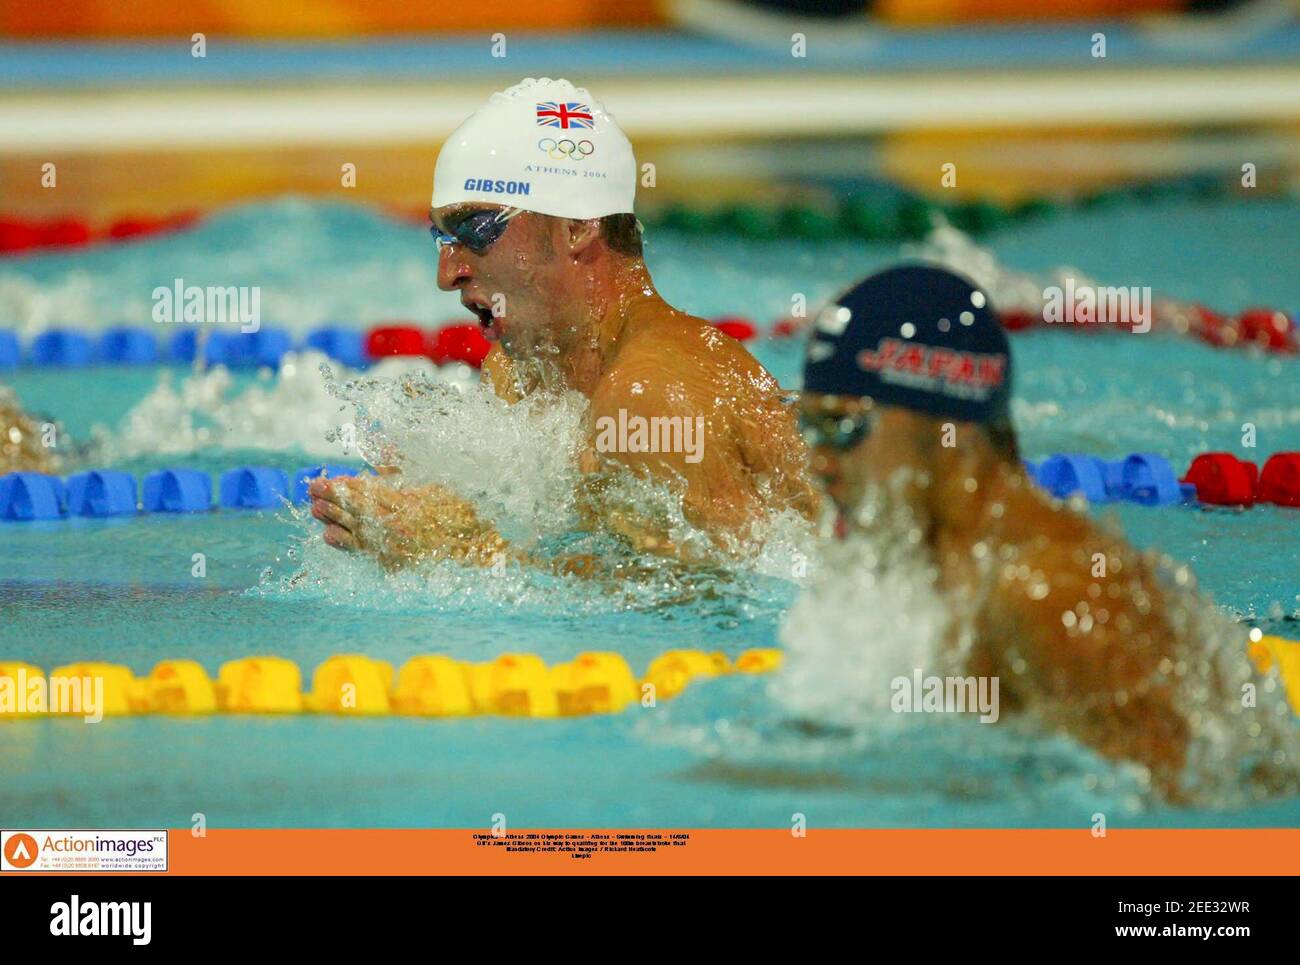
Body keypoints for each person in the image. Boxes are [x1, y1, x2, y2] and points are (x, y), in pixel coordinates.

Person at [792, 262, 1295, 802]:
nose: (817, 462)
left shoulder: (1051, 592)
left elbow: (1184, 823)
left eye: (841, 427)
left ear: (946, 425)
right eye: (808, 427)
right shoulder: (942, 560)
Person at [310, 78, 816, 569]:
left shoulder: (652, 396)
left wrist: (471, 554)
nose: (449, 274)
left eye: (477, 229)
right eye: (441, 237)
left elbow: (707, 607)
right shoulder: (521, 371)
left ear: (577, 227)